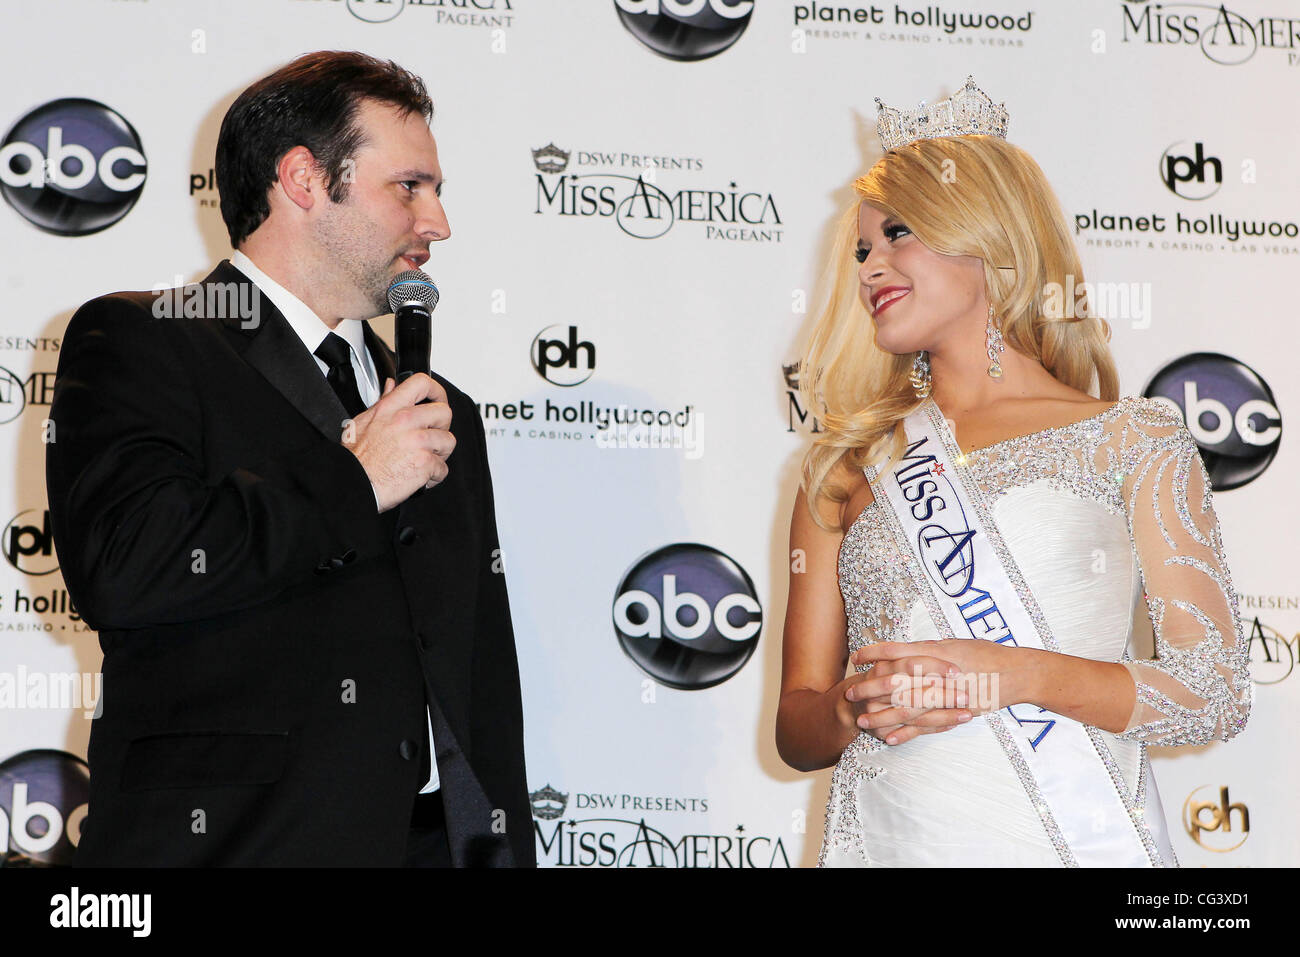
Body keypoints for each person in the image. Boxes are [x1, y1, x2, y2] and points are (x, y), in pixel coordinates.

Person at [45, 51, 534, 867]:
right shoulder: (146, 339)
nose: (437, 222)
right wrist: (354, 479)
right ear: (304, 180)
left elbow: (479, 687)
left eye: (438, 191)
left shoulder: (445, 412)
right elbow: (123, 567)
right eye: (408, 186)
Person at [776, 77, 1251, 867]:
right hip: (890, 841)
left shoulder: (1134, 440)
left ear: (988, 235)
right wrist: (853, 705)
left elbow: (1214, 691)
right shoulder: (845, 465)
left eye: (898, 234)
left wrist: (1002, 672)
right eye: (861, 249)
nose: (870, 267)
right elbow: (797, 726)